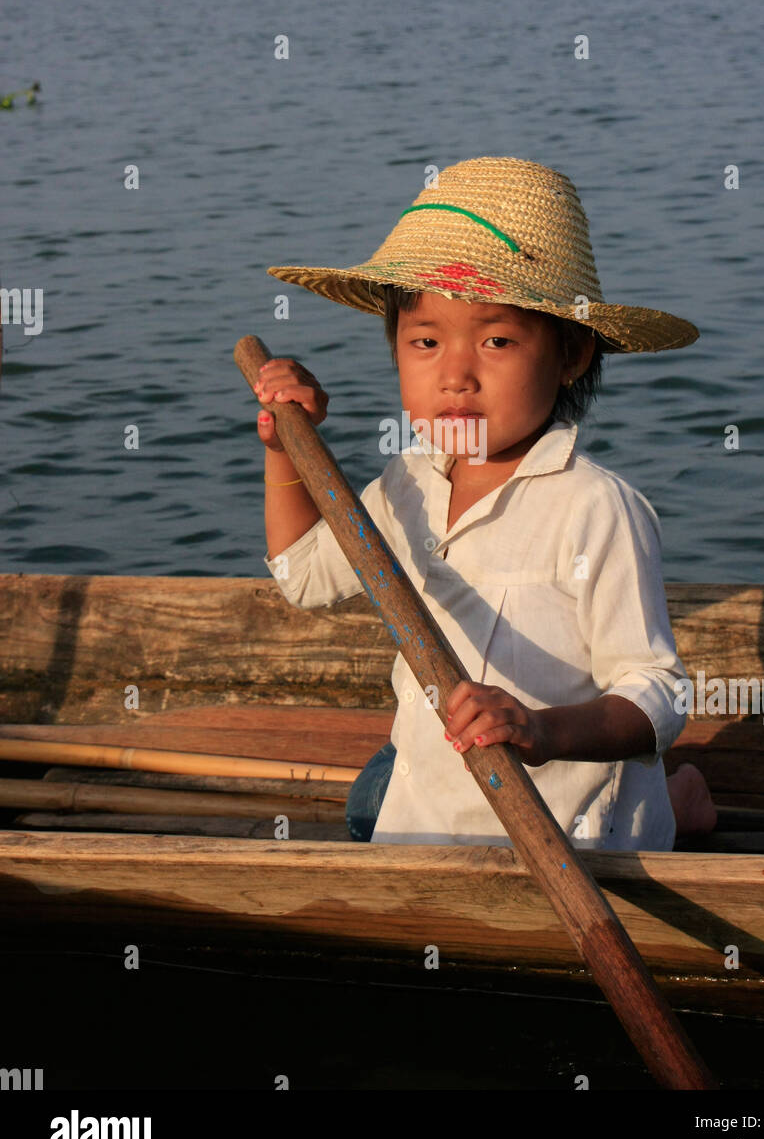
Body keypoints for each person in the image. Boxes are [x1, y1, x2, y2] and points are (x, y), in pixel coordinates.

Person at [255, 157, 717, 848]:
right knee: (365, 806)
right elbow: (304, 577)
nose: (455, 376)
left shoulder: (595, 509)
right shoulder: (409, 483)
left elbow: (659, 697)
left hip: (568, 825)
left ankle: (676, 801)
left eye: (497, 340)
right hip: (429, 814)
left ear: (572, 356)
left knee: (367, 803)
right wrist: (285, 448)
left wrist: (540, 728)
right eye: (425, 342)